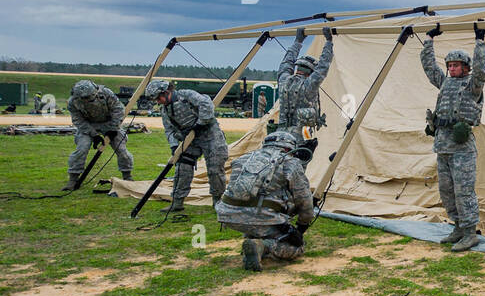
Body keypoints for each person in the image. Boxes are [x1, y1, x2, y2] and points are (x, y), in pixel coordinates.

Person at [420, 28, 485, 251]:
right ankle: (458, 226)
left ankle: (470, 233)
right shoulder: (445, 82)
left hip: (462, 148)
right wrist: (428, 40)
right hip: (442, 146)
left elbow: (480, 71)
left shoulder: (472, 86)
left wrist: (479, 41)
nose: (451, 68)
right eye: (449, 65)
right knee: (447, 190)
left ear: (465, 67)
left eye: (456, 65)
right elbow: (430, 68)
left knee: (463, 190)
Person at [215, 131, 316, 271]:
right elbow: (304, 200)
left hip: (227, 214)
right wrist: (302, 226)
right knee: (295, 246)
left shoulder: (244, 158)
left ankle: (253, 238)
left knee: (261, 215)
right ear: (289, 149)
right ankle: (262, 247)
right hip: (262, 217)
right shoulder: (291, 163)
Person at [143, 79, 229, 210]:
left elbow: (206, 103)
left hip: (210, 135)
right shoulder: (165, 111)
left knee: (215, 169)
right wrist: (173, 145)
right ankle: (177, 202)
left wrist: (200, 123)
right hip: (190, 140)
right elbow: (169, 130)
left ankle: (217, 201)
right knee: (182, 168)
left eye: (158, 98)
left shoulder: (187, 95)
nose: (158, 102)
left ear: (166, 92)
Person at [64, 79, 133, 189]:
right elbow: (78, 120)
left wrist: (113, 129)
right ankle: (73, 179)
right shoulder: (73, 102)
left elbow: (118, 110)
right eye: (84, 98)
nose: (87, 100)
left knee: (121, 150)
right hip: (88, 126)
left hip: (110, 124)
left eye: (89, 97)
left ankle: (127, 176)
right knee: (82, 148)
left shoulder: (106, 94)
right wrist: (94, 134)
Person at [277, 26, 335, 140]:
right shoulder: (309, 86)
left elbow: (286, 62)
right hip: (300, 137)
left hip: (280, 133)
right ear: (310, 72)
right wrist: (329, 42)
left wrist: (298, 41)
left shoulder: (283, 80)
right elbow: (323, 67)